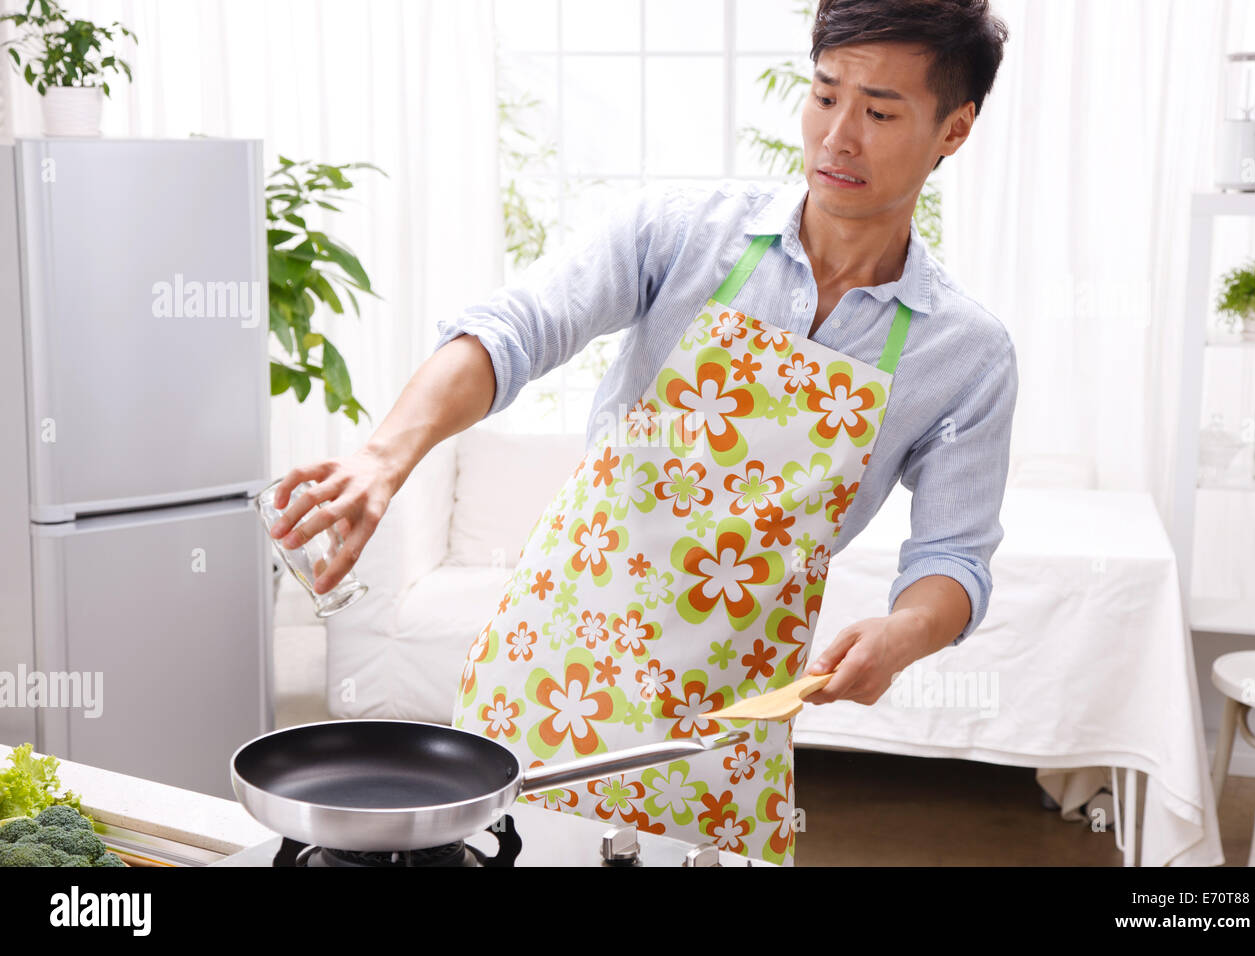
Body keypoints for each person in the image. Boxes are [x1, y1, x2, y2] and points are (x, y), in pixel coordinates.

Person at [270, 0, 1014, 865]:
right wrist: (382, 456)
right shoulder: (682, 232)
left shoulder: (965, 351)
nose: (838, 136)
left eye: (881, 112)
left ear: (953, 130)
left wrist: (904, 633)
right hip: (553, 665)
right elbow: (515, 329)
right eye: (824, 95)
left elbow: (954, 558)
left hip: (724, 719)